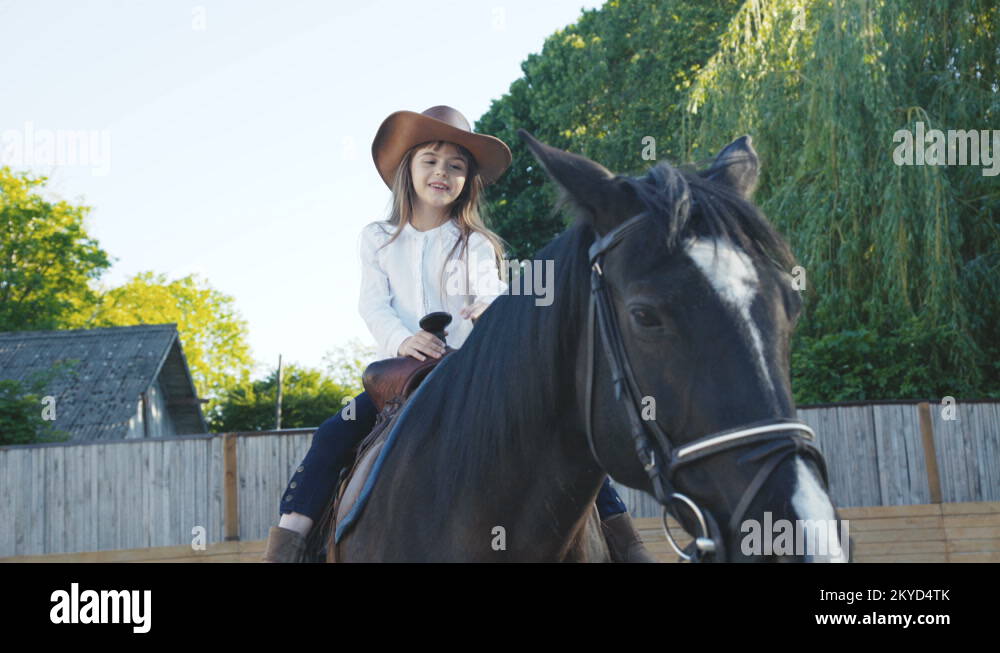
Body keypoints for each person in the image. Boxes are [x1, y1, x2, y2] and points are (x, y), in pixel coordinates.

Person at [262, 105, 654, 563]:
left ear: (468, 180)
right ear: (407, 169)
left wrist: (490, 310)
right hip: (401, 377)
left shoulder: (475, 242)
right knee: (332, 434)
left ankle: (627, 544)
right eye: (429, 161)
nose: (441, 173)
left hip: (469, 375)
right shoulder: (378, 238)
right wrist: (402, 341)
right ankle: (290, 544)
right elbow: (373, 304)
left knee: (567, 429)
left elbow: (492, 291)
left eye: (456, 166)